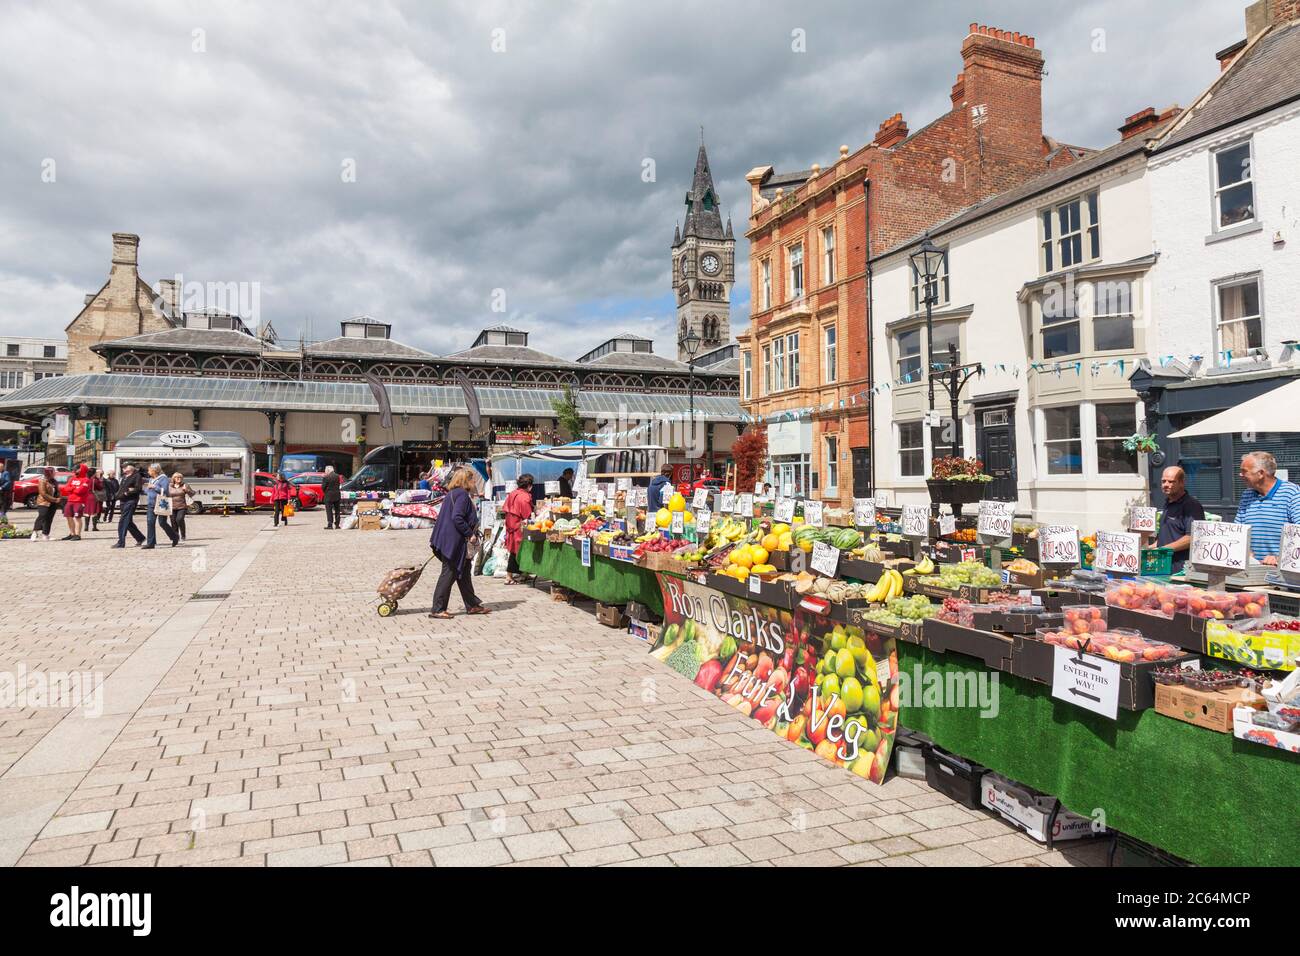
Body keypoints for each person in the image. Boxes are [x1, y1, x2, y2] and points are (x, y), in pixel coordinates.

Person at [428, 467, 490, 618]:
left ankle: (472, 605)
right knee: (449, 573)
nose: (474, 482)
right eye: (472, 479)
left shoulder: (453, 494)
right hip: (453, 542)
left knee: (463, 574)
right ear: (466, 480)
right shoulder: (462, 495)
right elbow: (457, 517)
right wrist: (470, 534)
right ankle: (438, 609)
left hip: (447, 540)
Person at [1234, 451, 1300, 566]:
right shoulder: (1247, 495)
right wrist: (1244, 550)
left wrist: (1280, 558)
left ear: (1260, 473)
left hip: (1284, 571)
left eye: (1244, 471)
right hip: (1253, 570)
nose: (1240, 475)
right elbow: (1237, 531)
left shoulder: (1292, 494)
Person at [1155, 466, 1205, 573]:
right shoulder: (1168, 504)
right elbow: (1166, 537)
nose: (1166, 485)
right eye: (1163, 481)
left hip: (1181, 570)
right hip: (1163, 567)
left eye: (1171, 481)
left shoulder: (1191, 506)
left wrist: (1163, 550)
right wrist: (1149, 548)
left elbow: (1192, 537)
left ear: (1182, 482)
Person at [503, 473, 535, 584]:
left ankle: (523, 573)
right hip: (518, 526)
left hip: (510, 525)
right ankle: (509, 576)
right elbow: (527, 514)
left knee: (515, 550)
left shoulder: (513, 493)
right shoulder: (525, 497)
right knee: (517, 551)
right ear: (529, 485)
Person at [143, 463, 178, 548]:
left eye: (149, 470)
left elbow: (164, 490)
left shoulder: (163, 478)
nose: (148, 472)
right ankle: (151, 543)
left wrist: (154, 487)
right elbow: (149, 490)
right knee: (150, 523)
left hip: (161, 503)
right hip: (151, 504)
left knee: (162, 523)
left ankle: (175, 537)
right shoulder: (151, 479)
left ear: (154, 470)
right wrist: (144, 490)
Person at [113, 463, 145, 548]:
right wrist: (117, 495)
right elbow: (121, 488)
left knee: (123, 521)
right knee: (128, 521)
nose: (123, 468)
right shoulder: (124, 477)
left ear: (131, 468)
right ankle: (140, 538)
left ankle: (121, 542)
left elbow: (138, 488)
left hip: (130, 501)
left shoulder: (137, 476)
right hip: (123, 500)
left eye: (125, 467)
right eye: (123, 467)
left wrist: (128, 492)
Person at [62, 463, 93, 540]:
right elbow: (65, 488)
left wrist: (72, 489)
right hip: (70, 501)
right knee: (68, 517)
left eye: (77, 469)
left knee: (77, 517)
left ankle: (78, 535)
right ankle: (72, 534)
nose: (75, 470)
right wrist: (74, 488)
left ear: (82, 469)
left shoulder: (86, 480)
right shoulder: (72, 478)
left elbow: (80, 491)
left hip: (79, 501)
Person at [31, 467, 59, 541]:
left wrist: (59, 498)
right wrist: (55, 499)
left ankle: (45, 534)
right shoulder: (42, 481)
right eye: (53, 472)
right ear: (49, 473)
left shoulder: (54, 481)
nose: (55, 473)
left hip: (53, 503)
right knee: (42, 516)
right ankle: (35, 532)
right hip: (43, 502)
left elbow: (57, 491)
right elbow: (43, 493)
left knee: (49, 518)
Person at [168, 472, 196, 542]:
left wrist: (186, 490)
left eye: (180, 477)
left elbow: (193, 493)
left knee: (179, 519)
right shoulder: (169, 486)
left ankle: (183, 535)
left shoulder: (185, 485)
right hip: (172, 506)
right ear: (174, 478)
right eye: (177, 477)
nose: (179, 479)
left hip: (182, 506)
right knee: (173, 522)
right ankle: (176, 536)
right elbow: (165, 494)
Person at [321, 464, 342, 529]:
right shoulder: (337, 476)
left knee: (329, 511)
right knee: (337, 510)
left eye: (325, 471)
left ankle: (330, 524)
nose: (325, 472)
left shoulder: (326, 477)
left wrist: (326, 492)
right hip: (337, 495)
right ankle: (337, 524)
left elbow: (323, 487)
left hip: (329, 495)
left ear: (328, 470)